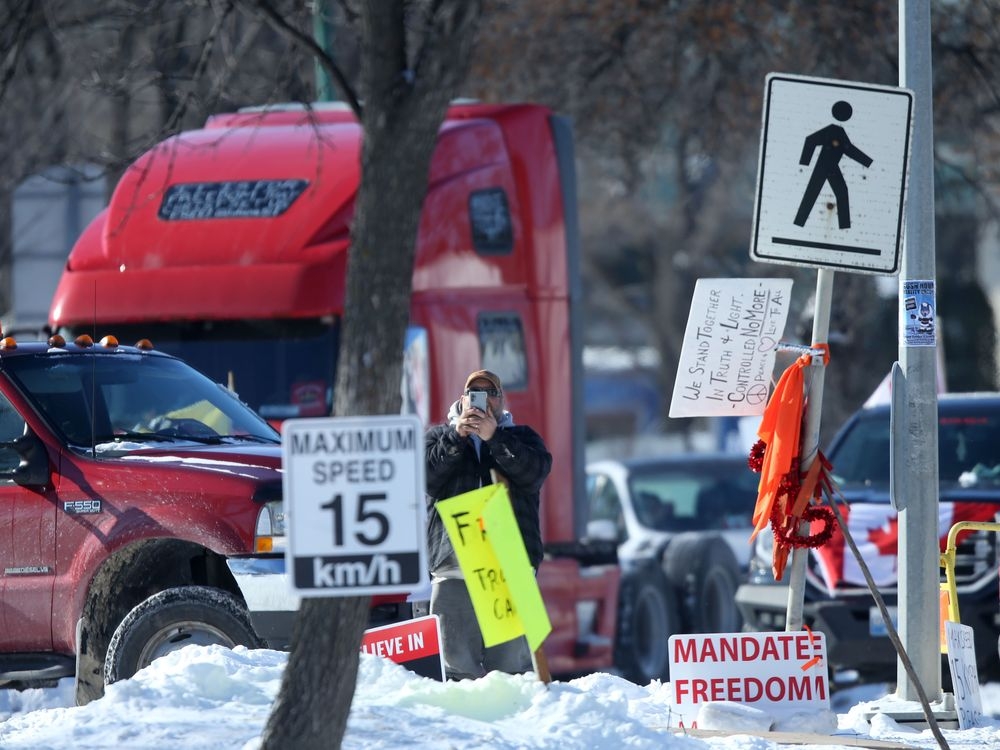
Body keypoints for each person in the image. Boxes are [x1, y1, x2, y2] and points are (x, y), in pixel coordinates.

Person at [424, 369, 552, 680]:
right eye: (475, 393)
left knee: (512, 669)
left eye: (491, 393)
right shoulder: (438, 437)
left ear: (501, 400)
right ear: (463, 399)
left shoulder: (523, 437)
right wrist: (458, 437)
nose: (484, 400)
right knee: (454, 667)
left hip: (509, 565)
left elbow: (533, 473)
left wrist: (495, 438)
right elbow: (425, 478)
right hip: (454, 565)